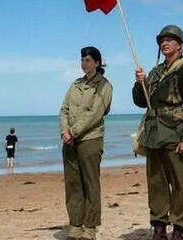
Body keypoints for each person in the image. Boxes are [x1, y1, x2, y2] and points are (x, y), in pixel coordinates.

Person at [133, 25, 183, 240]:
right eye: (162, 40)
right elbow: (140, 101)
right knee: (156, 183)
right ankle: (159, 226)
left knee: (179, 183)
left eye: (170, 40)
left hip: (175, 134)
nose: (165, 43)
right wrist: (140, 83)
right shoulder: (155, 72)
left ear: (180, 45)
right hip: (154, 135)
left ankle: (179, 228)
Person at [59, 46, 113, 240]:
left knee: (90, 184)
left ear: (97, 63)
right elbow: (64, 109)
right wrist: (65, 131)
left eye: (88, 60)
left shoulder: (104, 85)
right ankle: (75, 225)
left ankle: (90, 228)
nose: (84, 63)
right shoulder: (75, 85)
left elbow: (95, 113)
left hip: (90, 140)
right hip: (70, 142)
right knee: (73, 184)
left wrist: (72, 132)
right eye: (82, 60)